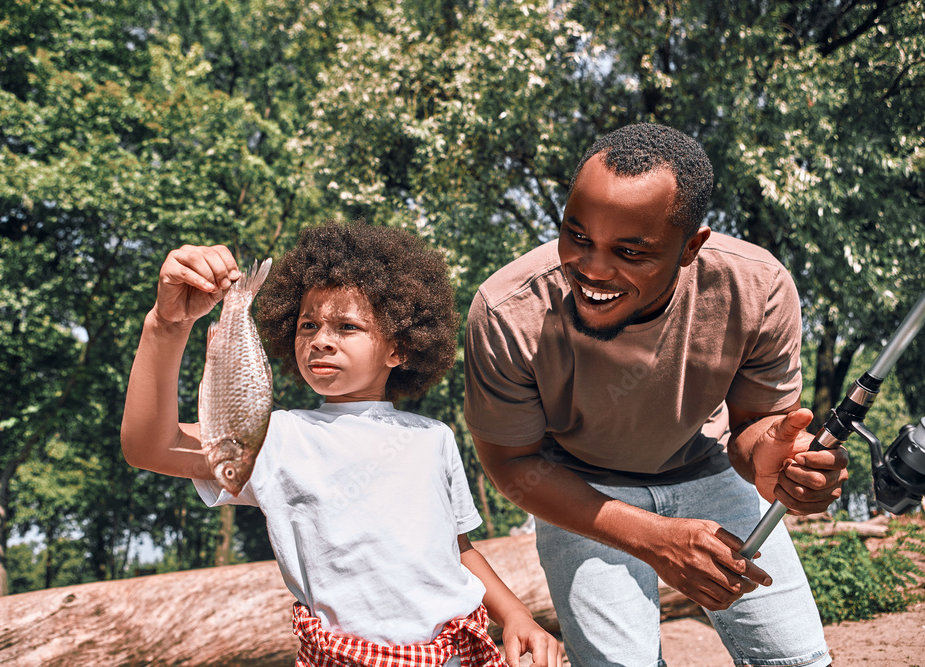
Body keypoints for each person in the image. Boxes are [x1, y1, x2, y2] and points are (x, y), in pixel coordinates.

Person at [463, 123, 849, 667]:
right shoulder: (507, 311)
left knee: (797, 660)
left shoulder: (757, 287)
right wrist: (655, 538)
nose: (593, 268)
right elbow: (513, 466)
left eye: (630, 251)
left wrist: (776, 460)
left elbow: (753, 429)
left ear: (691, 247)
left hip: (707, 469)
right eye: (577, 235)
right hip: (578, 489)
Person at [121, 221, 562, 667]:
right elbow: (149, 447)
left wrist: (517, 614)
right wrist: (165, 325)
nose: (321, 340)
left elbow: (459, 549)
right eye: (308, 324)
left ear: (400, 349)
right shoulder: (274, 437)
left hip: (458, 654)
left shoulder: (435, 438)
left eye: (346, 326)